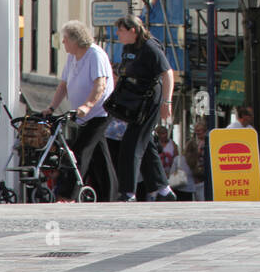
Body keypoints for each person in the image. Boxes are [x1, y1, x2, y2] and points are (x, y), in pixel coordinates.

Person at [45, 20, 116, 202]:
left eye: (65, 39)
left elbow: (100, 84)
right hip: (82, 116)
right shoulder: (72, 57)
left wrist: (87, 106)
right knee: (100, 159)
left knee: (79, 151)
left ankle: (67, 195)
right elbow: (63, 85)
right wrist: (52, 107)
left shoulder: (95, 55)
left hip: (99, 113)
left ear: (75, 40)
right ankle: (111, 196)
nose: (63, 43)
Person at [113, 15, 177, 202]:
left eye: (121, 30)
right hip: (136, 100)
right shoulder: (128, 48)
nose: (117, 34)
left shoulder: (150, 48)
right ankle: (163, 190)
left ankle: (128, 192)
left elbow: (167, 73)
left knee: (131, 143)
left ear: (133, 31)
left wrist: (167, 102)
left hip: (150, 100)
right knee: (146, 143)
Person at [177, 120, 207, 201]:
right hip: (197, 175)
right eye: (196, 131)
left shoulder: (207, 142)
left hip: (203, 174)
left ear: (204, 130)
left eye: (199, 131)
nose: (197, 133)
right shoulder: (197, 142)